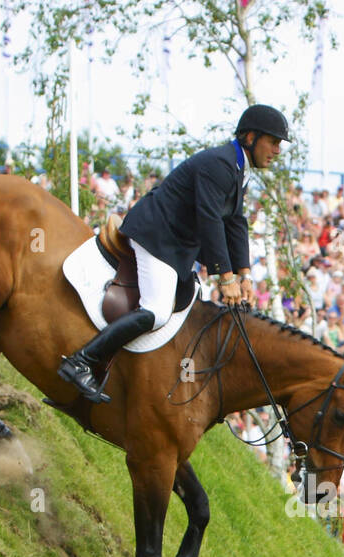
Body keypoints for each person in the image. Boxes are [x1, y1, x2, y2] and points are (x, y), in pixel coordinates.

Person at [57, 104, 290, 402]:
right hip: (157, 237)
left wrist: (244, 274)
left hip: (174, 244)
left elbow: (235, 222)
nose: (277, 150)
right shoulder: (220, 164)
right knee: (156, 311)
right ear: (250, 137)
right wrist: (225, 276)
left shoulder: (236, 167)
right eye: (273, 141)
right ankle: (81, 361)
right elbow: (210, 219)